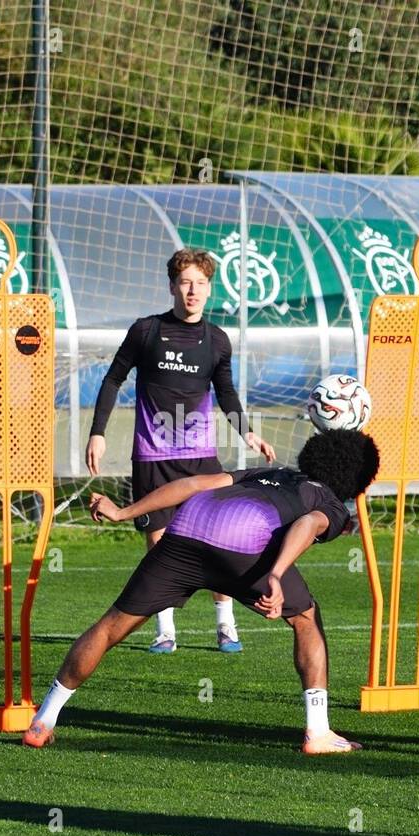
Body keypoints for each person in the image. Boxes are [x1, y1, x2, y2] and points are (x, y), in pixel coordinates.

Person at [24, 428, 378, 754]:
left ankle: (44, 719)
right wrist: (277, 574)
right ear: (357, 480)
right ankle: (318, 733)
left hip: (186, 530)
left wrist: (123, 512)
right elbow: (307, 523)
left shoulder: (267, 472)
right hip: (243, 545)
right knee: (306, 618)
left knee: (109, 627)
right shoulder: (332, 504)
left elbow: (193, 485)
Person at [85, 249, 276, 654]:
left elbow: (226, 395)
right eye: (186, 282)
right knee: (159, 546)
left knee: (216, 537)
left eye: (201, 283)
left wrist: (248, 435)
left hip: (199, 458)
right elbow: (112, 379)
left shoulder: (217, 340)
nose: (193, 291)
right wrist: (97, 433)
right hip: (153, 457)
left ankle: (225, 625)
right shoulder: (146, 331)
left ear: (209, 289)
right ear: (172, 286)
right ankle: (165, 629)